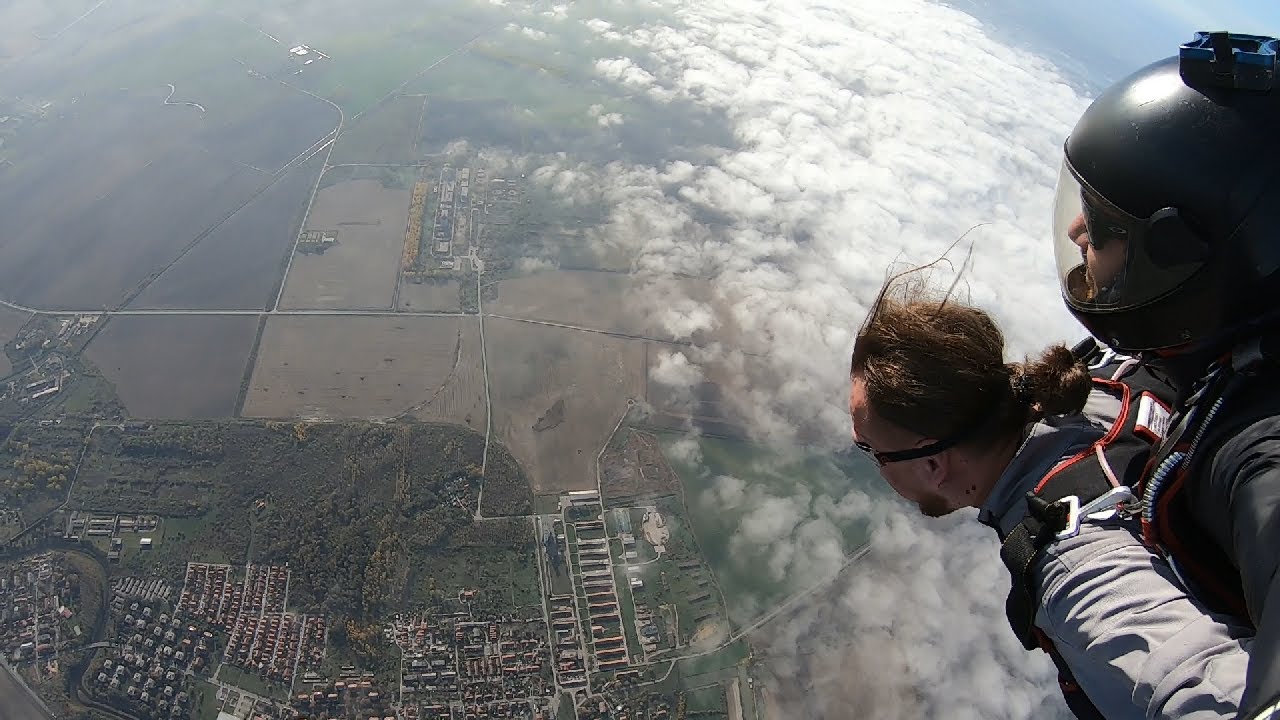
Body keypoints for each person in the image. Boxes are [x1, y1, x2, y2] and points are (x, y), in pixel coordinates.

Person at [848, 273, 1252, 718]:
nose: (862, 445)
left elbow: (1202, 691)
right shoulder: (1100, 382)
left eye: (871, 449)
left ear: (932, 464)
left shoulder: (1078, 570)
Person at [1048, 30, 1280, 719]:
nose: (1076, 234)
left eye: (1106, 223)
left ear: (1180, 258)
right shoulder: (1224, 348)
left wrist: (1068, 554)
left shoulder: (1258, 448)